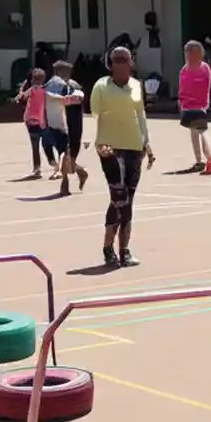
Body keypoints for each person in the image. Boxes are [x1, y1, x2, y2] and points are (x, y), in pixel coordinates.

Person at [90, 45, 150, 268]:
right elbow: (94, 115)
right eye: (117, 59)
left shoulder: (136, 85)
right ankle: (108, 248)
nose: (122, 63)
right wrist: (95, 143)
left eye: (125, 59)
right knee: (119, 196)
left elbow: (141, 115)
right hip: (110, 147)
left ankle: (124, 250)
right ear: (110, 63)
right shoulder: (101, 86)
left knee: (129, 199)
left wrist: (147, 142)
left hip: (134, 146)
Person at [45, 60, 90, 195]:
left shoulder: (74, 86)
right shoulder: (53, 85)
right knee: (64, 154)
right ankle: (78, 174)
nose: (66, 73)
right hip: (55, 124)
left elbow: (79, 98)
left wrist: (70, 98)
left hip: (71, 125)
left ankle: (65, 184)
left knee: (66, 154)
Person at [178, 40, 211, 175]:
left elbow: (205, 86)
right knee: (195, 133)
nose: (187, 56)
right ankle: (199, 160)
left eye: (189, 53)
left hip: (198, 106)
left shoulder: (202, 68)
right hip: (190, 106)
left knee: (201, 132)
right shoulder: (186, 69)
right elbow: (182, 88)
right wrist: (182, 102)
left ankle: (210, 160)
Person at [16, 68, 57, 178]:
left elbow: (21, 97)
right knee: (47, 145)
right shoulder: (46, 91)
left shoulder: (32, 89)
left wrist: (20, 89)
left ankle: (37, 168)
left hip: (31, 122)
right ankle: (54, 164)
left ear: (33, 79)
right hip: (43, 122)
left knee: (35, 146)